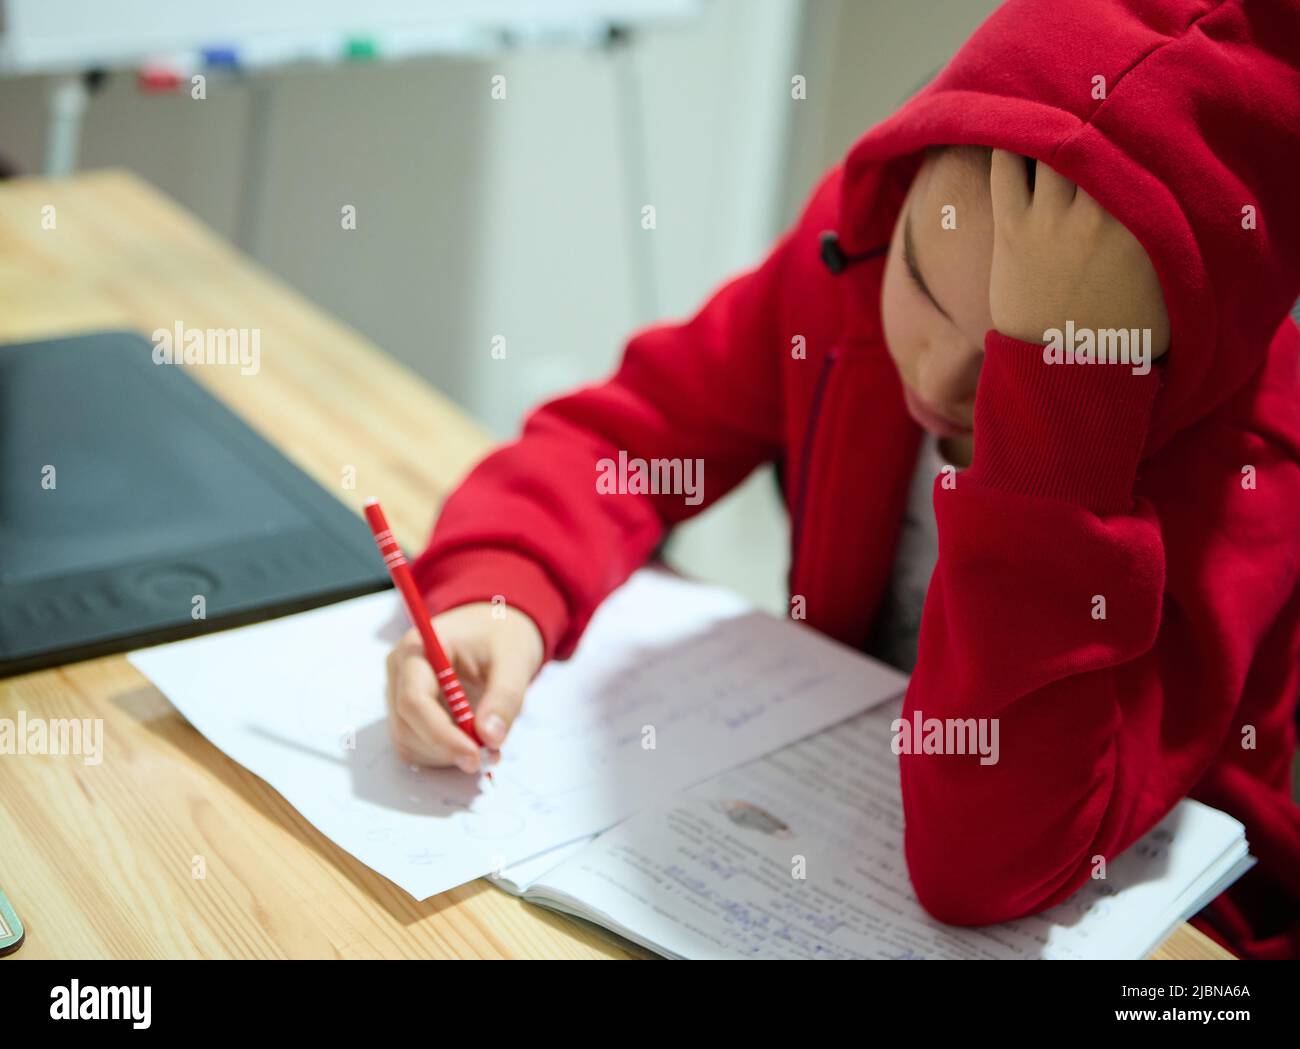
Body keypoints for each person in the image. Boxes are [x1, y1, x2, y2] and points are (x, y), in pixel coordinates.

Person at [386, 0, 1300, 958]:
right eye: (921, 285)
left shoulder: (1247, 459)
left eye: (1004, 369)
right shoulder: (855, 253)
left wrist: (1056, 429)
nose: (934, 382)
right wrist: (501, 584)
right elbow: (625, 438)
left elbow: (987, 860)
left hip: (1181, 943)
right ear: (897, 197)